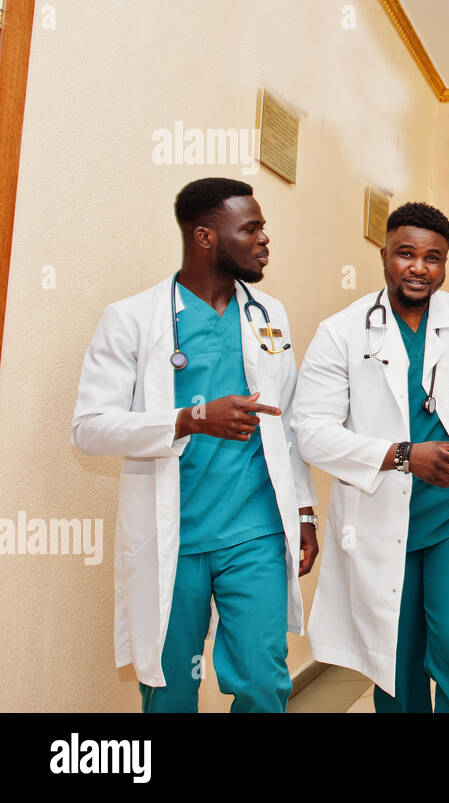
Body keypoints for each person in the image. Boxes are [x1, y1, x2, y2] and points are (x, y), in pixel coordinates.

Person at [71, 177, 318, 713]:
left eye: (263, 228)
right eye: (250, 229)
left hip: (253, 531)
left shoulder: (268, 315)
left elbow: (289, 422)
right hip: (172, 535)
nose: (263, 240)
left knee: (261, 681)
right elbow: (88, 427)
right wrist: (189, 419)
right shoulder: (133, 319)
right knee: (169, 690)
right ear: (205, 236)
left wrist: (305, 511)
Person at [292, 202, 449, 713]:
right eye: (406, 254)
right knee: (397, 661)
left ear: (445, 262)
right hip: (379, 514)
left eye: (433, 258)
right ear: (384, 256)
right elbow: (312, 433)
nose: (419, 268)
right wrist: (402, 455)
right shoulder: (341, 332)